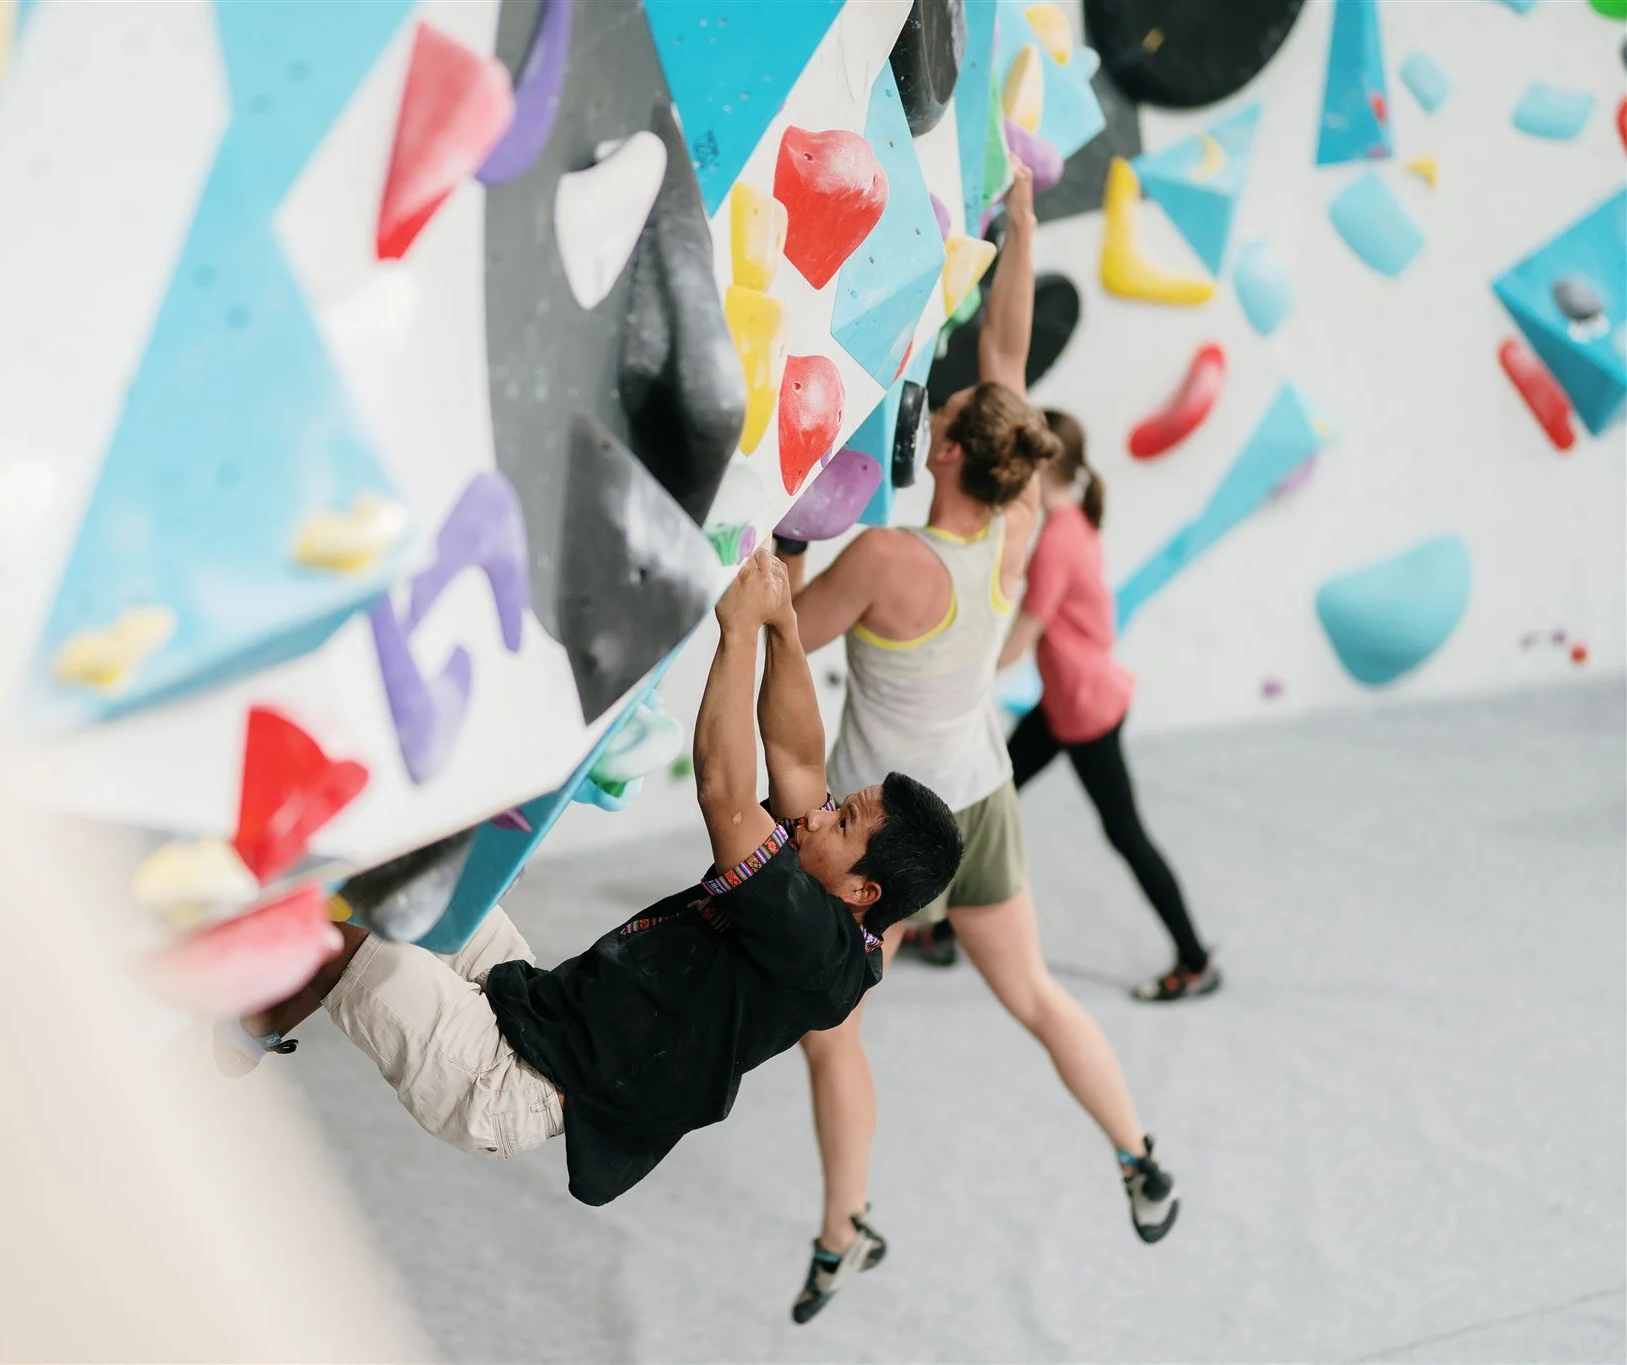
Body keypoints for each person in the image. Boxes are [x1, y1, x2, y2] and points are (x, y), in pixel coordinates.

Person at [231, 549, 964, 1208]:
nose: (817, 816)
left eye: (842, 824)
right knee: (417, 869)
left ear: (864, 891)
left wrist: (737, 631)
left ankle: (217, 1045)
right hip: (539, 1004)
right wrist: (782, 623)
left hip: (508, 1079)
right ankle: (243, 1029)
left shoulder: (815, 944)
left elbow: (724, 791)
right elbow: (800, 761)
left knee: (335, 918)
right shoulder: (831, 876)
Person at [772, 157, 1179, 1324]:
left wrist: (781, 538)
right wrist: (1024, 213)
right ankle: (1136, 1152)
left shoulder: (887, 562)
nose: (941, 405)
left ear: (946, 454)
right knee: (1038, 994)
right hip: (980, 805)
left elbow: (783, 640)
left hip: (887, 833)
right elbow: (1006, 362)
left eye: (941, 413)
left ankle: (840, 1232)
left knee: (830, 1029)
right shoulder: (1019, 514)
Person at [998, 410, 1218, 1003]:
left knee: (1125, 833)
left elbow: (1025, 633)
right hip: (1067, 700)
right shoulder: (1073, 523)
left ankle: (1195, 961)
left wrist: (962, 677)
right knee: (990, 795)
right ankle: (944, 926)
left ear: (1040, 467)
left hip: (1084, 709)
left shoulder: (1058, 541)